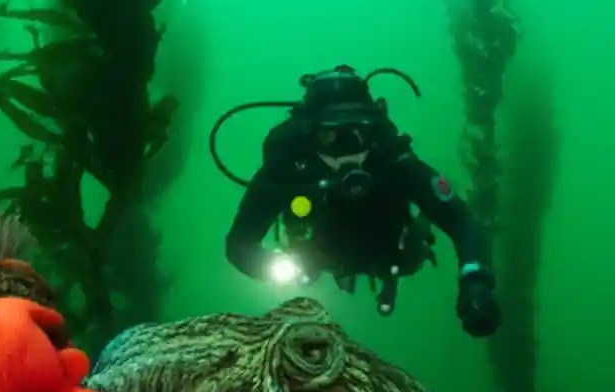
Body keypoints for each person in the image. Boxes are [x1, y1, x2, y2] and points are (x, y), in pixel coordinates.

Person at [212, 65, 501, 337]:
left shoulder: (394, 162)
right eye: (332, 135)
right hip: (318, 258)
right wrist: (278, 267)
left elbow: (461, 220)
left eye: (357, 133)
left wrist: (476, 282)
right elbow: (240, 245)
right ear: (310, 134)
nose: (346, 149)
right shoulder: (288, 171)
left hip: (395, 254)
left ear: (373, 129)